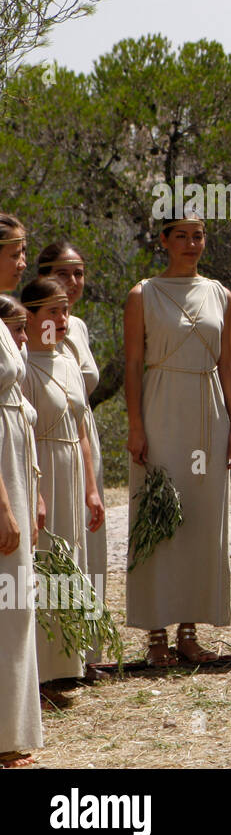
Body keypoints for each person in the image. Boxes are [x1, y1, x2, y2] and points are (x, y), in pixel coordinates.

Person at [124, 216, 231, 666]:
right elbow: (133, 364)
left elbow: (228, 364)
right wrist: (136, 426)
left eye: (198, 236)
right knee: (157, 515)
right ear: (164, 241)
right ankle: (155, 635)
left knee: (199, 515)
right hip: (161, 408)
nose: (192, 243)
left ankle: (189, 631)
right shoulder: (143, 294)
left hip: (208, 411)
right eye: (182, 236)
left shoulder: (220, 295)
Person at [19, 278, 105, 692]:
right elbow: (20, 435)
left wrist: (92, 489)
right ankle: (41, 668)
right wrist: (34, 491)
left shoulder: (69, 362)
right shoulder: (21, 366)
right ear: (30, 316)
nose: (62, 319)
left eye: (65, 311)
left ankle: (69, 660)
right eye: (52, 311)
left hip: (72, 468)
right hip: (41, 470)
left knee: (72, 561)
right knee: (45, 562)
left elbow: (82, 430)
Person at [36, 241, 107, 676]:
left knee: (87, 545)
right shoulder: (34, 325)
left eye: (79, 273)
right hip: (49, 442)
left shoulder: (75, 326)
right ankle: (50, 657)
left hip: (83, 439)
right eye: (63, 273)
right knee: (55, 546)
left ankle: (83, 651)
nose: (74, 282)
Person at [0, 218, 42, 768]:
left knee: (15, 599)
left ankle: (10, 728)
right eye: (16, 252)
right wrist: (4, 504)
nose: (23, 262)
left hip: (12, 462)